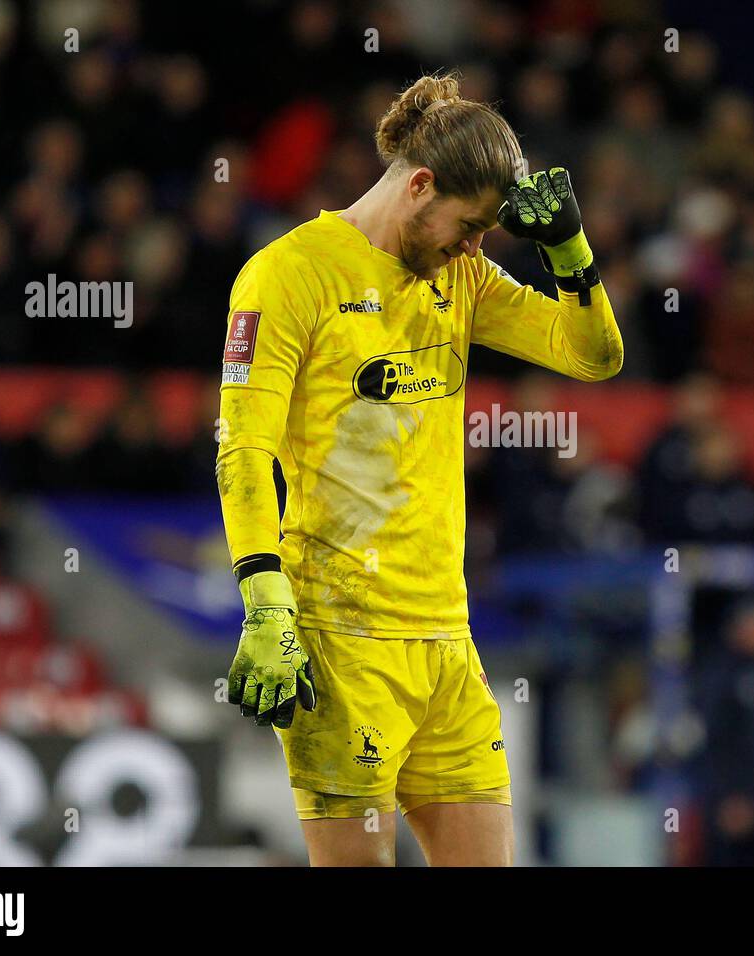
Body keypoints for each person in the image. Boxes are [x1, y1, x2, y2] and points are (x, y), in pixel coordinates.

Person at [215, 71, 622, 866]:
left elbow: (593, 354)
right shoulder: (287, 276)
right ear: (421, 186)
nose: (473, 248)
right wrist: (265, 606)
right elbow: (243, 449)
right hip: (341, 639)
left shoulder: (459, 278)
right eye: (468, 227)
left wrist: (571, 252)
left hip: (446, 642)